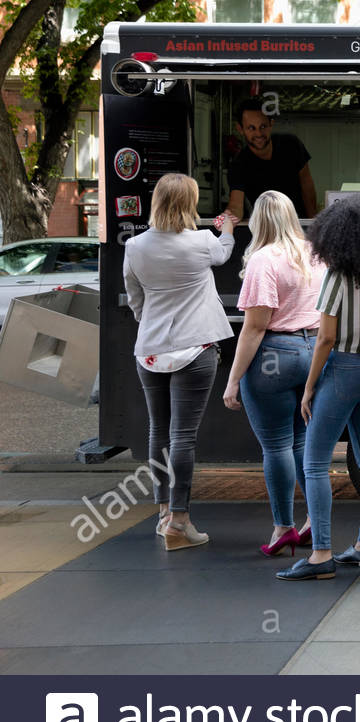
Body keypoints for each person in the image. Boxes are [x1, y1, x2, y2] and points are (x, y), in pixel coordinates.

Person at [276, 197, 360, 581]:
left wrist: (310, 387)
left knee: (314, 462)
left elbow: (325, 338)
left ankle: (321, 554)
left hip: (344, 367)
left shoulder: (336, 277)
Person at [123, 174, 237, 551]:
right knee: (183, 436)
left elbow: (134, 296)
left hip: (152, 347)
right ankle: (181, 520)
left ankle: (162, 515)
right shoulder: (202, 241)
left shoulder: (135, 246)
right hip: (195, 346)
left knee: (159, 430)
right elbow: (224, 252)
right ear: (190, 203)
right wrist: (229, 228)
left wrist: (151, 323)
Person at [222, 190, 324, 557]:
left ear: (259, 221)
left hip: (275, 358)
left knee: (277, 444)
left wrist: (233, 380)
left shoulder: (263, 260)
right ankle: (315, 521)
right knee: (303, 443)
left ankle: (284, 526)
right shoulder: (314, 252)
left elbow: (254, 328)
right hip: (315, 354)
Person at [224, 96, 318, 221]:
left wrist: (314, 223)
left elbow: (307, 186)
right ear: (240, 129)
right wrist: (220, 222)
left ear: (271, 124)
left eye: (262, 126)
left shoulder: (291, 145)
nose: (258, 133)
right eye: (251, 128)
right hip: (267, 230)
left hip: (298, 225)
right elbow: (236, 206)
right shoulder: (238, 165)